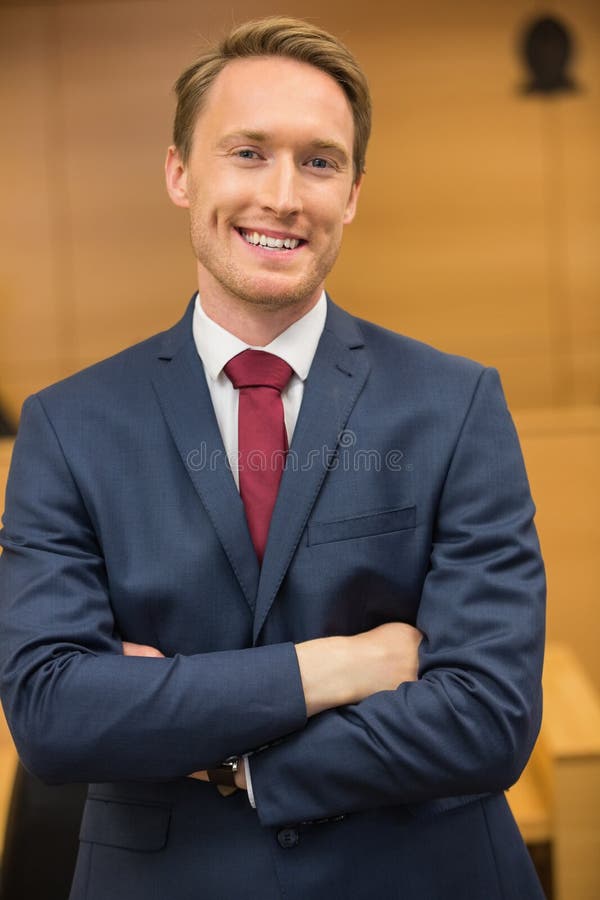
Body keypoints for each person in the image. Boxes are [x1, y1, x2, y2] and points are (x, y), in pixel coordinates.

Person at [0, 16, 546, 900]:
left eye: (320, 162)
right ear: (180, 172)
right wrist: (340, 667)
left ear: (355, 192)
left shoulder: (457, 404)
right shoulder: (67, 428)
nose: (284, 196)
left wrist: (229, 762)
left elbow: (488, 718)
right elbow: (56, 716)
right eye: (247, 152)